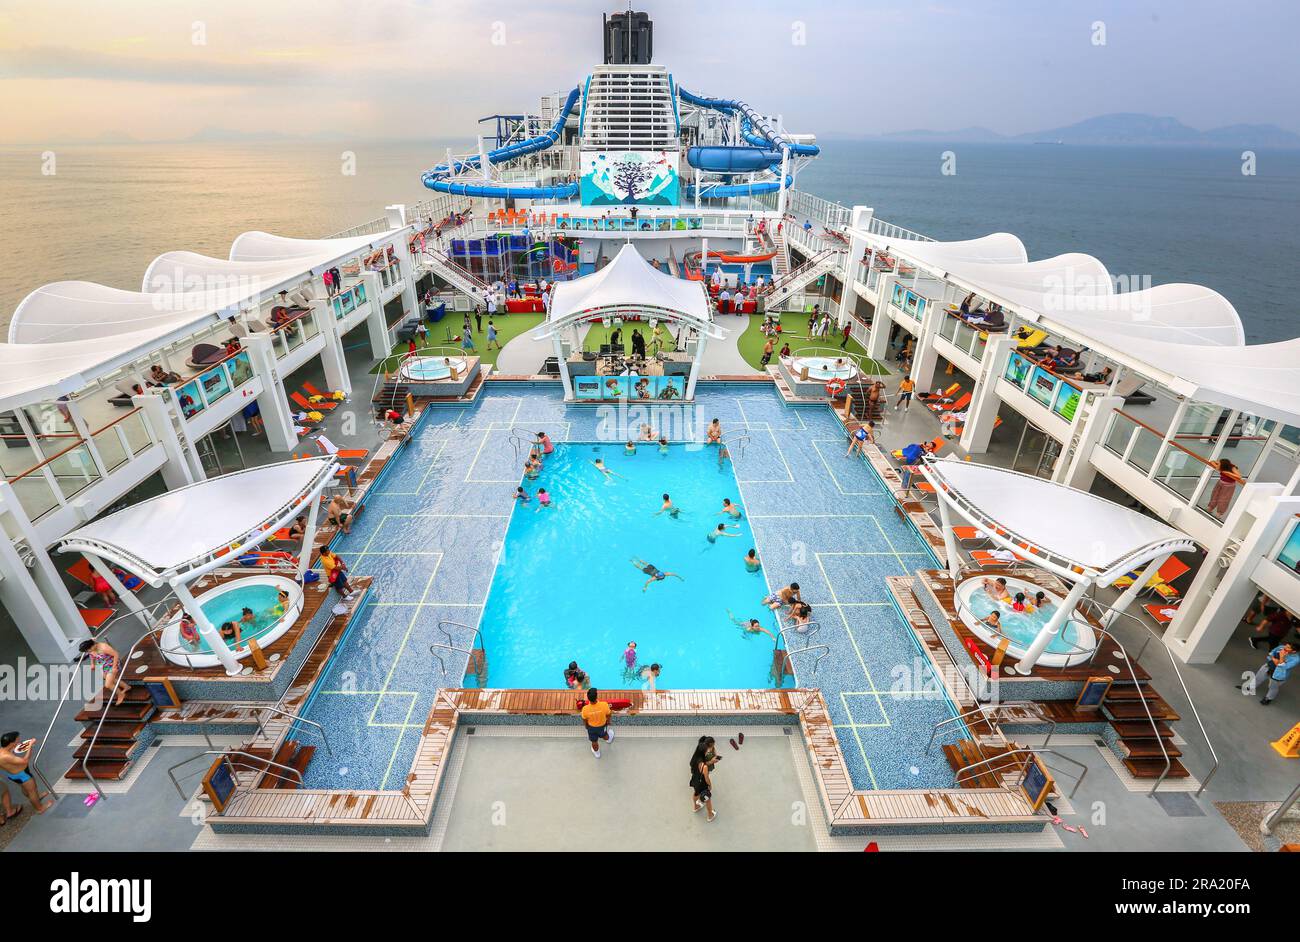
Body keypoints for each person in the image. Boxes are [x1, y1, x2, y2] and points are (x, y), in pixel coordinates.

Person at [0, 733, 52, 814]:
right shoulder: (6, 756)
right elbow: (25, 761)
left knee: (25, 789)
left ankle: (37, 797)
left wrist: (13, 749)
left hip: (14, 775)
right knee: (32, 791)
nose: (19, 741)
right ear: (11, 743)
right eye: (17, 740)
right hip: (22, 775)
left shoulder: (2, 751)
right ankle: (40, 808)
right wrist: (30, 745)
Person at [79, 638, 127, 707]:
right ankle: (126, 687)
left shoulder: (104, 648)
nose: (88, 651)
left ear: (93, 645)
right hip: (103, 665)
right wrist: (92, 664)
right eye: (87, 650)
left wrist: (114, 668)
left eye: (88, 649)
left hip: (112, 664)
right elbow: (91, 655)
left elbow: (116, 654)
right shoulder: (91, 649)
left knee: (108, 684)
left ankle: (121, 695)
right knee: (109, 679)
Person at [689, 736, 719, 821]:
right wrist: (710, 785)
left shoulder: (694, 759)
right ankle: (710, 815)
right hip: (702, 784)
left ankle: (696, 806)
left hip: (695, 779)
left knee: (696, 793)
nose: (707, 752)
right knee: (707, 799)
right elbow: (707, 779)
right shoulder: (704, 767)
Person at [580, 688, 614, 759]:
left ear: (588, 699)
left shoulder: (585, 709)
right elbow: (609, 714)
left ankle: (597, 754)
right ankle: (609, 740)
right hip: (602, 726)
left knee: (594, 741)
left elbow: (584, 719)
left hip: (591, 728)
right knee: (605, 734)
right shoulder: (604, 705)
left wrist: (586, 726)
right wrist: (608, 721)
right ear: (596, 697)